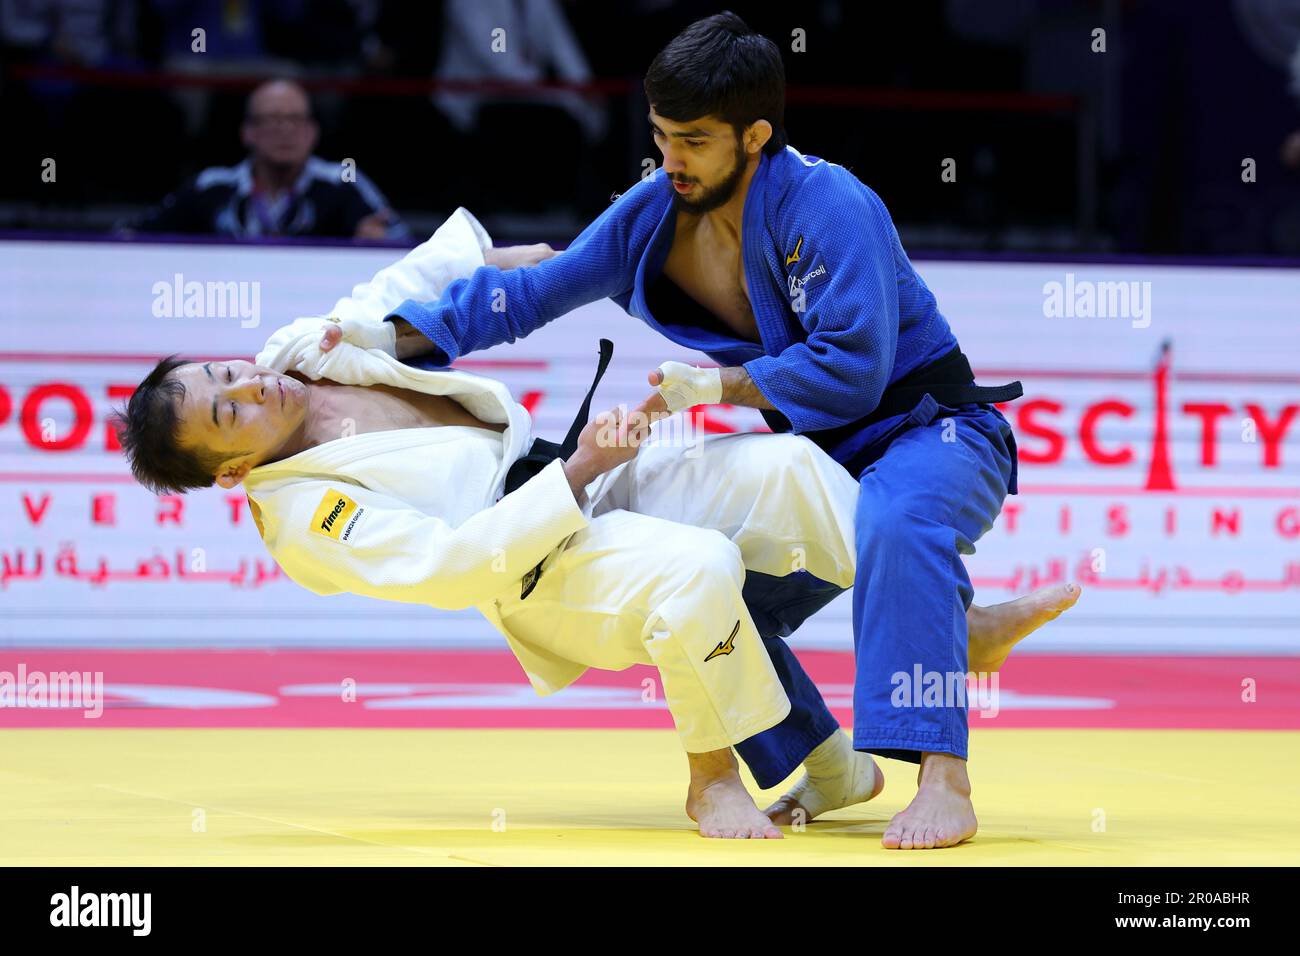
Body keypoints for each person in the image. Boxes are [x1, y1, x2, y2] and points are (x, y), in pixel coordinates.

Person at [115, 209, 1074, 840]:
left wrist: (503, 262)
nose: (246, 383)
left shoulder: (296, 354)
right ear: (234, 467)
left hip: (569, 476)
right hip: (534, 570)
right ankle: (710, 783)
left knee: (785, 467)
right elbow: (453, 565)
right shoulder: (304, 520)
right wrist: (579, 472)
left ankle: (949, 622)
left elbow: (394, 288)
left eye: (220, 372)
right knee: (697, 568)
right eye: (228, 411)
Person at [363, 13, 1082, 848]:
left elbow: (854, 368)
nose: (671, 159)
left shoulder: (829, 203)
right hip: (815, 452)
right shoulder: (649, 214)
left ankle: (946, 780)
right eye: (662, 135)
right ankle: (836, 748)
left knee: (896, 518)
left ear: (756, 136)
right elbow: (532, 293)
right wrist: (382, 338)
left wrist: (723, 384)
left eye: (695, 141)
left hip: (931, 432)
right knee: (712, 593)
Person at [119, 79, 408, 240]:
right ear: (248, 132)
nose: (285, 131)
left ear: (312, 132)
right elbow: (131, 236)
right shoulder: (212, 187)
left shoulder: (344, 183)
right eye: (272, 120)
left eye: (295, 120)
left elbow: (403, 243)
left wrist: (376, 242)